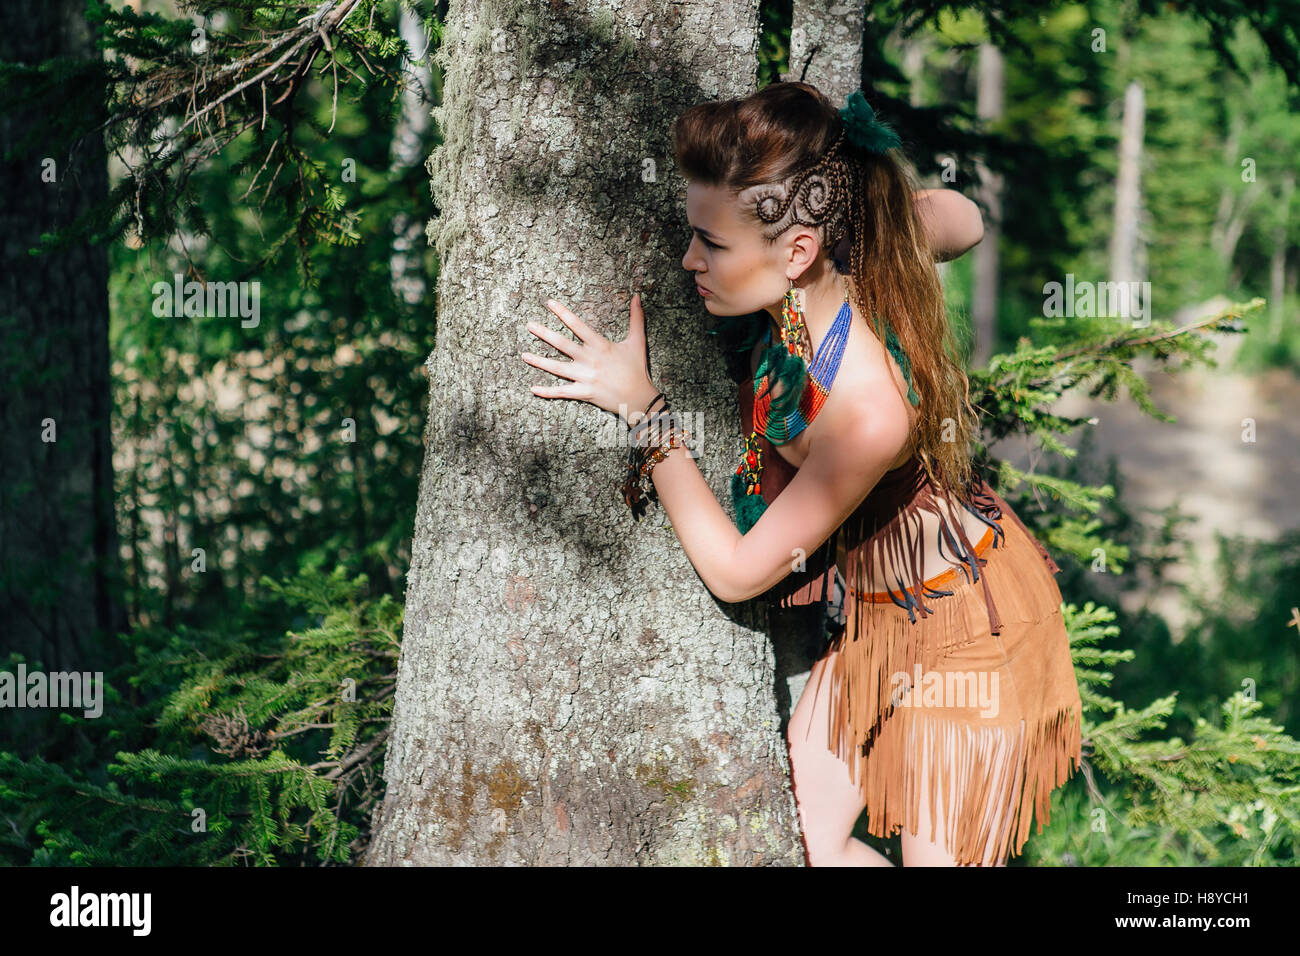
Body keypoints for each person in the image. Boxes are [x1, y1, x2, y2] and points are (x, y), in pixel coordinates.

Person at [520, 81, 1082, 867]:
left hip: (971, 637)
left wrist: (648, 415)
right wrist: (889, 209)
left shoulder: (867, 412)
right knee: (799, 851)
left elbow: (738, 571)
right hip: (882, 623)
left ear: (794, 253)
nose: (689, 260)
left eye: (710, 245)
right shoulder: (846, 252)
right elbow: (966, 218)